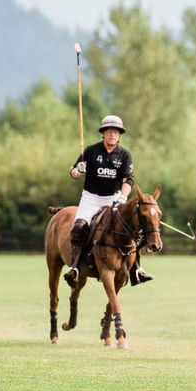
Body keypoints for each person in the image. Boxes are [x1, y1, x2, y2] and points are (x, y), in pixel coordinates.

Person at [66, 114, 152, 287]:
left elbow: (129, 180)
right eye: (109, 131)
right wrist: (79, 170)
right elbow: (73, 173)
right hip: (91, 197)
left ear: (120, 135)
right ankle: (74, 267)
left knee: (134, 228)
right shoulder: (90, 151)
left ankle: (136, 269)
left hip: (114, 198)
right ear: (103, 133)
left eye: (116, 132)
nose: (113, 135)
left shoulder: (124, 155)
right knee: (78, 227)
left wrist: (123, 196)